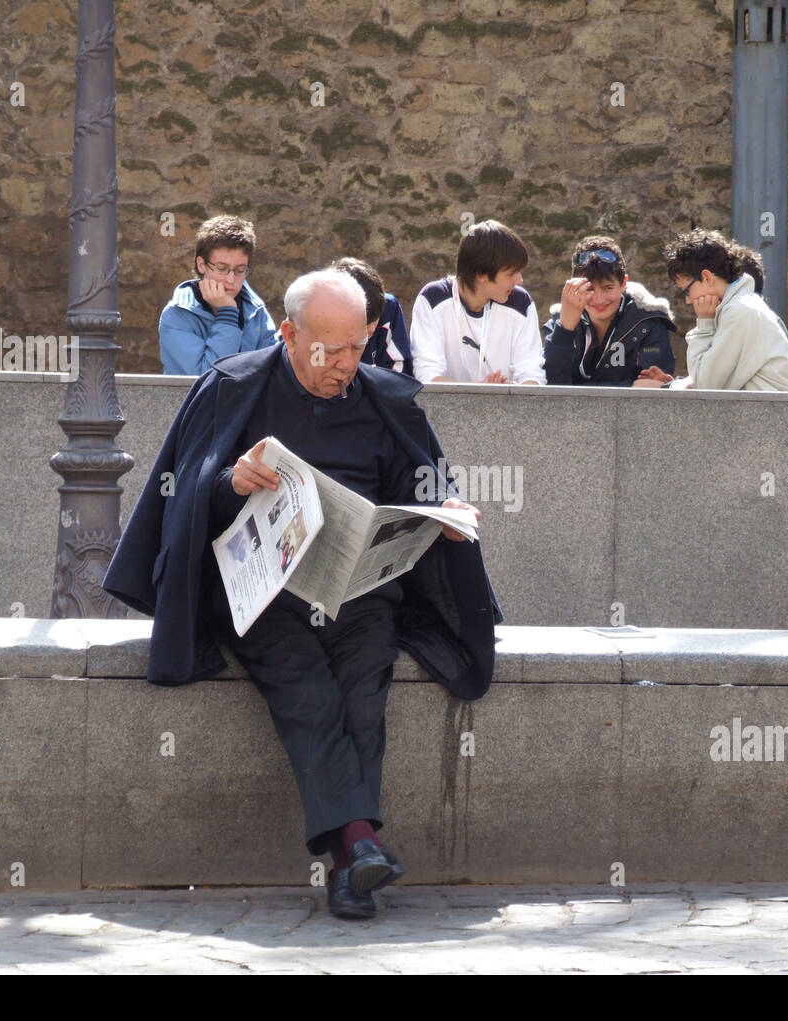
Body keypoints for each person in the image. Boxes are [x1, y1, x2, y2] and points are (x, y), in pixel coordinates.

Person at [104, 271, 501, 919]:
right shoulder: (233, 388)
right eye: (328, 351)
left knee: (363, 692)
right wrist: (231, 479)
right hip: (264, 593)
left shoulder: (385, 401)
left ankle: (352, 861)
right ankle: (358, 844)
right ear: (288, 334)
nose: (344, 365)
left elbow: (422, 479)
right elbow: (184, 491)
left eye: (356, 347)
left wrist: (444, 509)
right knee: (308, 692)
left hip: (359, 592)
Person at [660, 228, 788, 392]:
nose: (688, 300)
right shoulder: (740, 306)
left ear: (707, 277)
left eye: (686, 291)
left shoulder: (740, 311)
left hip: (781, 413)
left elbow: (706, 388)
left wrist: (705, 325)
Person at [410, 219, 546, 385]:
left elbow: (532, 373)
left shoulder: (521, 303)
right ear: (481, 274)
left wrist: (515, 393)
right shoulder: (433, 299)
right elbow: (427, 377)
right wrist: (480, 393)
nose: (520, 281)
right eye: (511, 274)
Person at [542, 236, 677, 387]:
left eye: (608, 288)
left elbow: (652, 391)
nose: (599, 300)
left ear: (623, 284)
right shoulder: (558, 322)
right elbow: (550, 388)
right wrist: (565, 329)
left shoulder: (650, 323)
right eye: (590, 289)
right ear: (575, 286)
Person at [158, 215, 277, 375]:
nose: (231, 279)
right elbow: (208, 379)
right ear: (201, 265)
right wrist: (227, 313)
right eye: (221, 268)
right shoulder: (176, 315)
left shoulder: (257, 312)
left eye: (240, 270)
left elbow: (271, 375)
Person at [327, 257, 414, 375]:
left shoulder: (389, 307)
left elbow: (401, 376)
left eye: (376, 319)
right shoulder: (318, 317)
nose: (372, 329)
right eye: (365, 324)